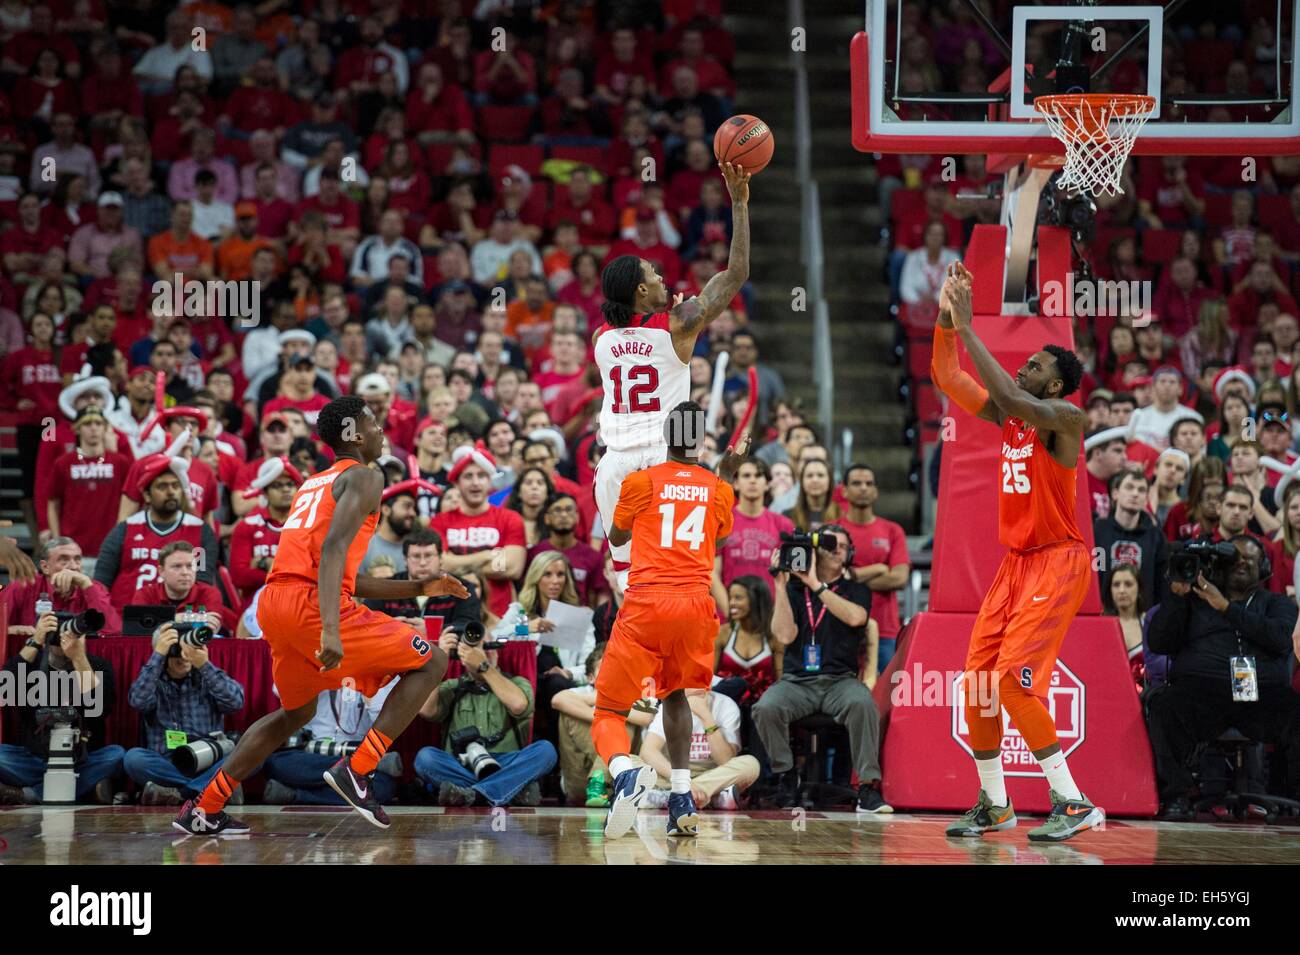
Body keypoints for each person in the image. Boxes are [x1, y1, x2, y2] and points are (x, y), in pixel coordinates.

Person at [176, 396, 466, 837]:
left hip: (277, 601)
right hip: (311, 606)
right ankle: (359, 767)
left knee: (295, 713)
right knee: (433, 661)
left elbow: (344, 573)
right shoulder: (367, 476)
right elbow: (331, 552)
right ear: (352, 434)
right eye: (372, 422)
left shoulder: (314, 483)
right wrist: (331, 629)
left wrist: (420, 587)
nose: (381, 429)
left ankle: (205, 805)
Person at [929, 261, 1102, 841]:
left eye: (1034, 364)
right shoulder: (1013, 417)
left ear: (1053, 385)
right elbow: (947, 375)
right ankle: (995, 802)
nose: (1023, 367)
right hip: (1016, 564)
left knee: (1014, 681)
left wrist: (971, 323)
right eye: (1023, 361)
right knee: (976, 681)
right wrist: (947, 321)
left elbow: (1003, 390)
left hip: (1058, 559)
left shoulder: (1065, 418)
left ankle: (1073, 800)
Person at [594, 161, 750, 593]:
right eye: (654, 275)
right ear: (641, 291)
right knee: (676, 577)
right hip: (664, 462)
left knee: (629, 582)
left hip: (614, 467)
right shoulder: (679, 324)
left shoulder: (599, 337)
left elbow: (632, 343)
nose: (663, 277)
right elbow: (736, 273)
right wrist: (738, 201)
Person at [592, 402, 746, 839]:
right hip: (696, 606)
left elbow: (617, 536)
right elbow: (719, 532)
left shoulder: (641, 481)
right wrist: (727, 474)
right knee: (676, 694)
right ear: (699, 439)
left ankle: (624, 771)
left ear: (666, 435)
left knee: (608, 710)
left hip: (648, 602)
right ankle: (681, 797)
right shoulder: (717, 487)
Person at [1146, 536, 1300, 819]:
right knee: (1164, 705)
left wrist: (1226, 608)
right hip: (1203, 696)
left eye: (1250, 560)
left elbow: (1280, 639)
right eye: (1236, 558)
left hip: (1261, 697)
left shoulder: (1277, 604)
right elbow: (1159, 642)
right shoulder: (1194, 601)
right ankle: (1177, 796)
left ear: (1263, 567)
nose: (1242, 562)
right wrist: (1176, 599)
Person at [753, 523, 888, 813]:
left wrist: (816, 585)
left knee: (863, 704)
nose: (838, 550)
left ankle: (866, 787)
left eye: (843, 546)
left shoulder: (855, 589)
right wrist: (780, 584)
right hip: (797, 682)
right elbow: (785, 636)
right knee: (766, 708)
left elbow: (856, 618)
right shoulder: (793, 589)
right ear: (815, 551)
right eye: (831, 545)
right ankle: (786, 775)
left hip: (840, 681)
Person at [414, 630, 557, 808]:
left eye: (487, 647)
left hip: (505, 762)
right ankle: (508, 790)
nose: (482, 653)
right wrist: (439, 661)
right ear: (463, 656)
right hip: (463, 764)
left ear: (496, 651)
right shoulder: (453, 686)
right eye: (475, 649)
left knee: (546, 750)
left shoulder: (517, 683)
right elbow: (426, 711)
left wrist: (483, 666)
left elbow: (519, 705)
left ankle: (474, 794)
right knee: (425, 757)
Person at [0, 611, 123, 805]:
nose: (62, 638)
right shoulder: (31, 664)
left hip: (81, 758)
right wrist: (35, 641)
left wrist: (79, 658)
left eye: (71, 632)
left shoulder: (98, 665)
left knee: (116, 756)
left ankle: (29, 794)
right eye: (56, 633)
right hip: (34, 758)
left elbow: (99, 708)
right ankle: (85, 789)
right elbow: (5, 691)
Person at [122, 621, 246, 805]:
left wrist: (204, 664)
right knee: (134, 759)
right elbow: (137, 701)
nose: (183, 657)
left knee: (249, 754)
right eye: (175, 652)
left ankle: (183, 793)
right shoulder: (154, 680)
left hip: (209, 760)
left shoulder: (207, 676)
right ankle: (211, 790)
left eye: (187, 650)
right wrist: (158, 654)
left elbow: (236, 702)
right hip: (168, 762)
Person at [262, 682, 403, 808]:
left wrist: (369, 687)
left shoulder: (381, 671)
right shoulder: (318, 663)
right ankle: (351, 771)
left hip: (361, 755)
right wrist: (319, 673)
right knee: (274, 763)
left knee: (383, 787)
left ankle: (296, 795)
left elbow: (389, 725)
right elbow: (280, 689)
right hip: (313, 756)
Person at [838, 463, 910, 668]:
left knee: (886, 697)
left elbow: (899, 578)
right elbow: (831, 578)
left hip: (886, 629)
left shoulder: (892, 530)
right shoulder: (834, 531)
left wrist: (853, 577)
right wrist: (878, 569)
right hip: (841, 628)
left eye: (869, 483)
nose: (863, 488)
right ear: (844, 490)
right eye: (856, 483)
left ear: (876, 491)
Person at [361, 528, 481, 638]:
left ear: (441, 558)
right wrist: (390, 627)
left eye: (428, 555)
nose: (423, 563)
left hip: (446, 657)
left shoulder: (460, 587)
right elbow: (363, 625)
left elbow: (470, 627)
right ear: (405, 560)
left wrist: (433, 630)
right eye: (416, 556)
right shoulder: (385, 588)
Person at [0, 536, 119, 635]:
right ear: (45, 567)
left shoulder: (92, 588)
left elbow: (113, 632)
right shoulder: (24, 586)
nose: (73, 567)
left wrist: (86, 584)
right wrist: (8, 630)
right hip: (29, 660)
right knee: (20, 664)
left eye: (77, 560)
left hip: (78, 660)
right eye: (64, 560)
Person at [714, 458, 793, 603]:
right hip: (729, 614)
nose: (752, 480)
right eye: (746, 475)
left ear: (768, 484)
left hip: (770, 615)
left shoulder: (784, 525)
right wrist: (730, 612)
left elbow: (790, 576)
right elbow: (713, 573)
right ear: (736, 483)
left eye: (758, 475)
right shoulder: (722, 521)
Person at [131, 541, 239, 635]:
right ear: (161, 571)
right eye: (177, 566)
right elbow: (138, 630)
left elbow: (210, 629)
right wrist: (186, 619)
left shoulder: (209, 593)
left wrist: (162, 622)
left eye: (190, 566)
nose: (185, 572)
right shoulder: (145, 594)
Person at [527, 493, 608, 607]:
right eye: (557, 510)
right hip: (539, 618)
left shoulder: (593, 557)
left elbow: (594, 598)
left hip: (579, 620)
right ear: (547, 518)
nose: (564, 515)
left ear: (577, 516)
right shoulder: (533, 554)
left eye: (569, 509)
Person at [713, 575, 780, 706]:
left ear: (756, 600)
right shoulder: (722, 633)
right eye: (730, 597)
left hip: (762, 707)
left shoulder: (774, 637)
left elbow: (781, 682)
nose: (731, 603)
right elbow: (709, 678)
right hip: (726, 704)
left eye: (738, 598)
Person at [1104, 563, 1147, 692]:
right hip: (1108, 695)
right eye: (1116, 585)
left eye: (1128, 584)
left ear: (1139, 588)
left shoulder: (1150, 623)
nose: (1122, 590)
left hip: (1142, 701)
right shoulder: (1100, 625)